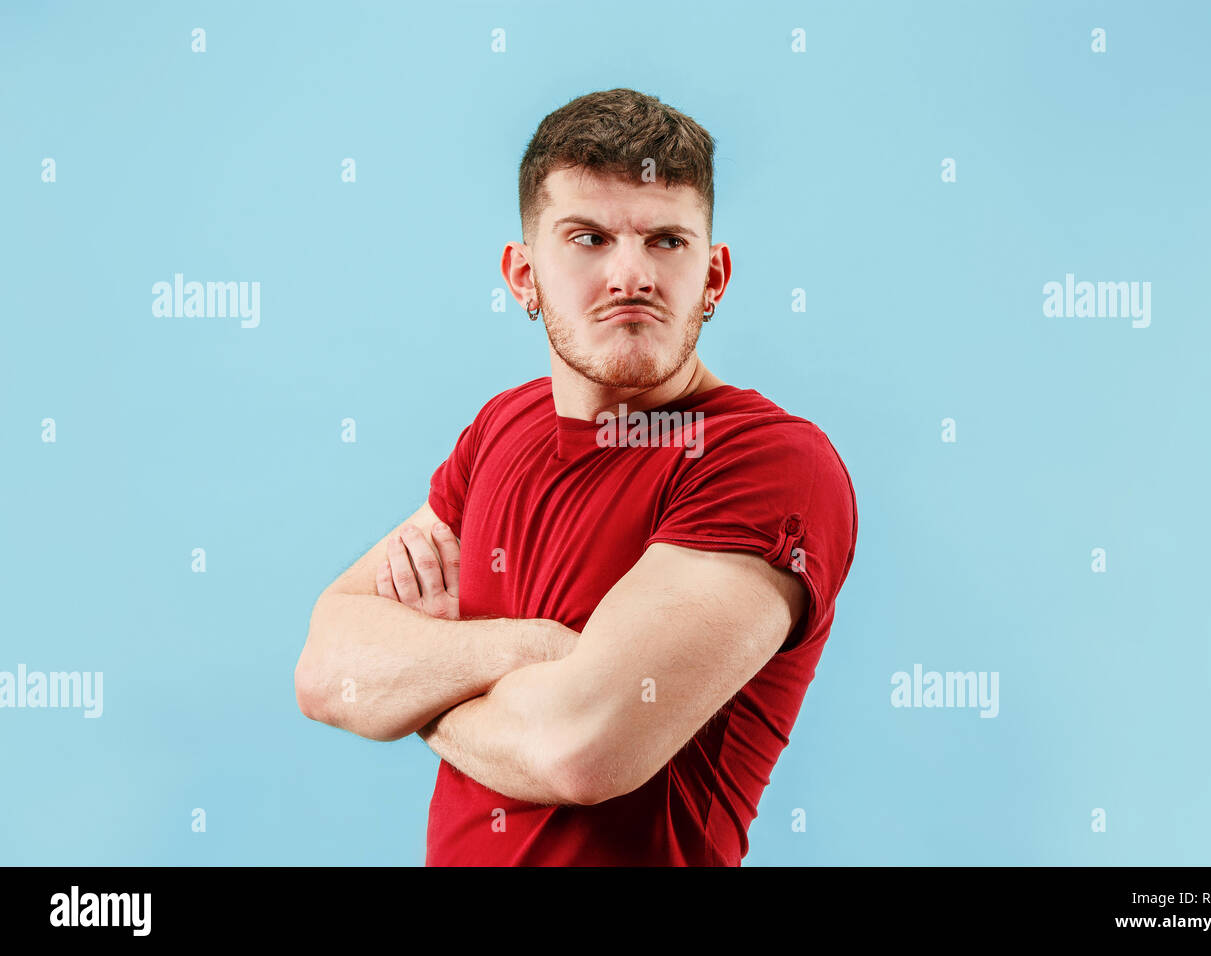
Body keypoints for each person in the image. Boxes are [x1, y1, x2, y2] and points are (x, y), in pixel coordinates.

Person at [295, 88, 858, 866]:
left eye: (666, 241)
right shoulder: (502, 429)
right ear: (523, 276)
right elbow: (328, 671)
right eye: (588, 238)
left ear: (714, 277)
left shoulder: (767, 463)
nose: (632, 275)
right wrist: (527, 649)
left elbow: (578, 752)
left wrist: (420, 686)